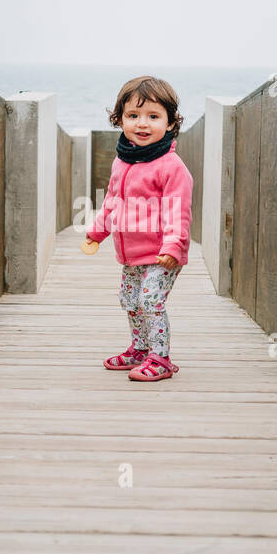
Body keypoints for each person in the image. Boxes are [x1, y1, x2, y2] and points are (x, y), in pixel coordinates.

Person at [81, 76, 194, 381]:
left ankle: (161, 357)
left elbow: (177, 211)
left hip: (161, 253)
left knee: (150, 300)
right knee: (129, 299)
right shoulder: (122, 160)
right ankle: (140, 349)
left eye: (153, 117)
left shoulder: (172, 167)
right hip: (131, 253)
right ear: (119, 120)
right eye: (133, 116)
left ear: (171, 123)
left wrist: (173, 247)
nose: (142, 124)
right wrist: (97, 231)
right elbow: (112, 199)